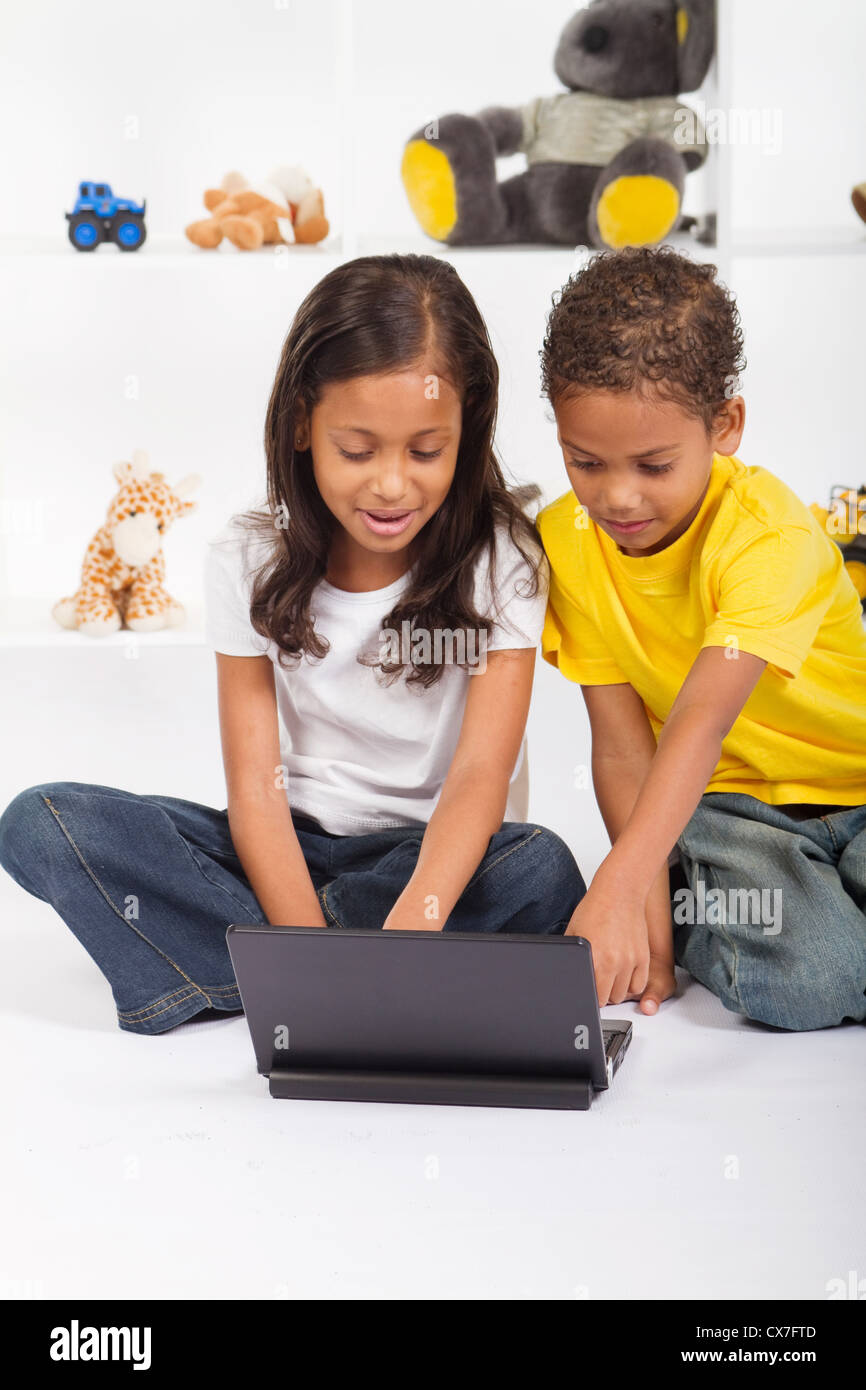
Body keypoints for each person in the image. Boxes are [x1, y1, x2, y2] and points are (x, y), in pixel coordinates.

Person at [0, 253, 584, 1036]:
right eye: (358, 449)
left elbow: (482, 776)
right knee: (42, 822)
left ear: (467, 426)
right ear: (305, 422)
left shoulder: (501, 558)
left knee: (541, 870)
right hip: (285, 857)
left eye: (425, 450)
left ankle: (262, 963)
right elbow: (255, 791)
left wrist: (415, 926)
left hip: (433, 863)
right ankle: (316, 958)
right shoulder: (246, 558)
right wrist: (308, 948)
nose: (390, 485)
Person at [536, 245, 866, 1031]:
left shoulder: (766, 536)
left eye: (654, 465)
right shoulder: (568, 541)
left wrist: (614, 882)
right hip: (728, 806)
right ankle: (710, 909)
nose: (617, 497)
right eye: (585, 462)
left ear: (725, 426)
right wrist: (639, 910)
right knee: (810, 984)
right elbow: (622, 746)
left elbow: (700, 714)